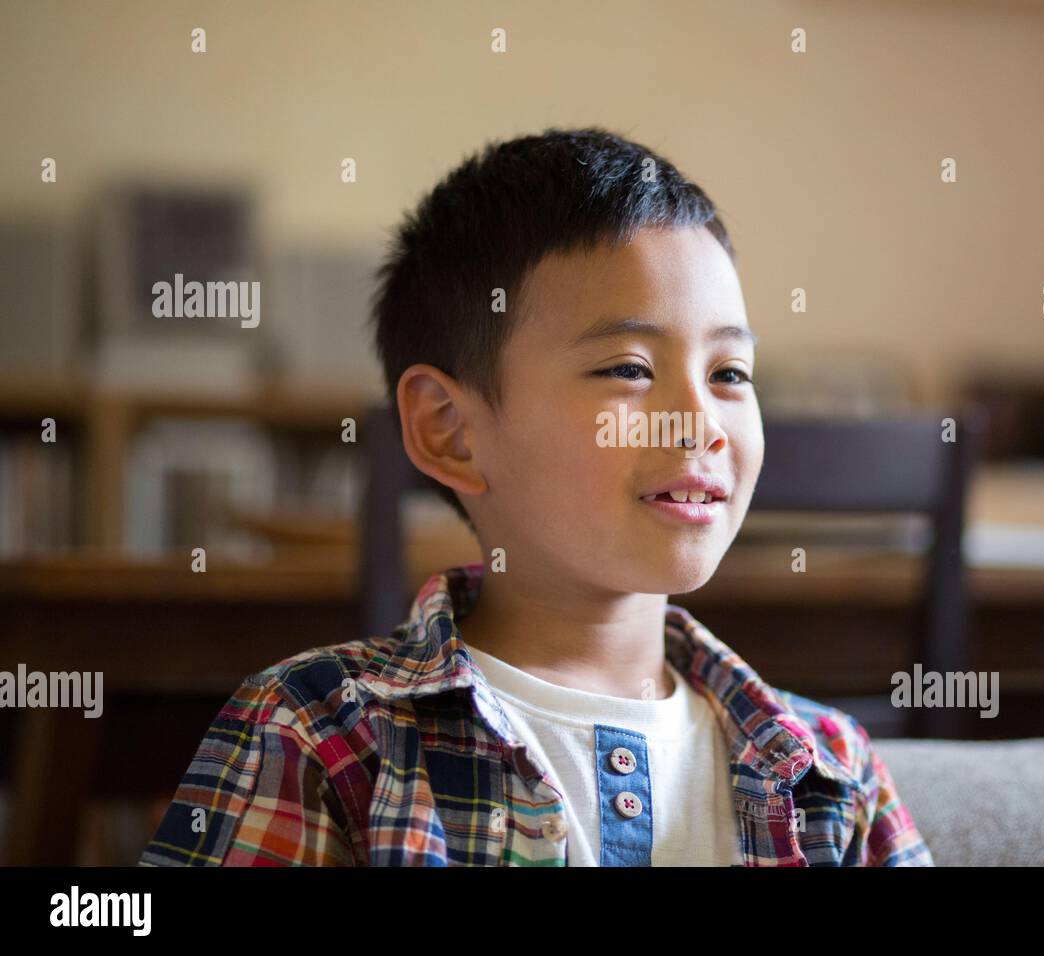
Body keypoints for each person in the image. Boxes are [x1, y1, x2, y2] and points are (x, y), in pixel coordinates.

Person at [139, 127, 933, 866]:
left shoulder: (832, 771)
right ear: (451, 430)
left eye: (730, 374)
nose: (702, 425)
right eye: (628, 368)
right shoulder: (320, 737)